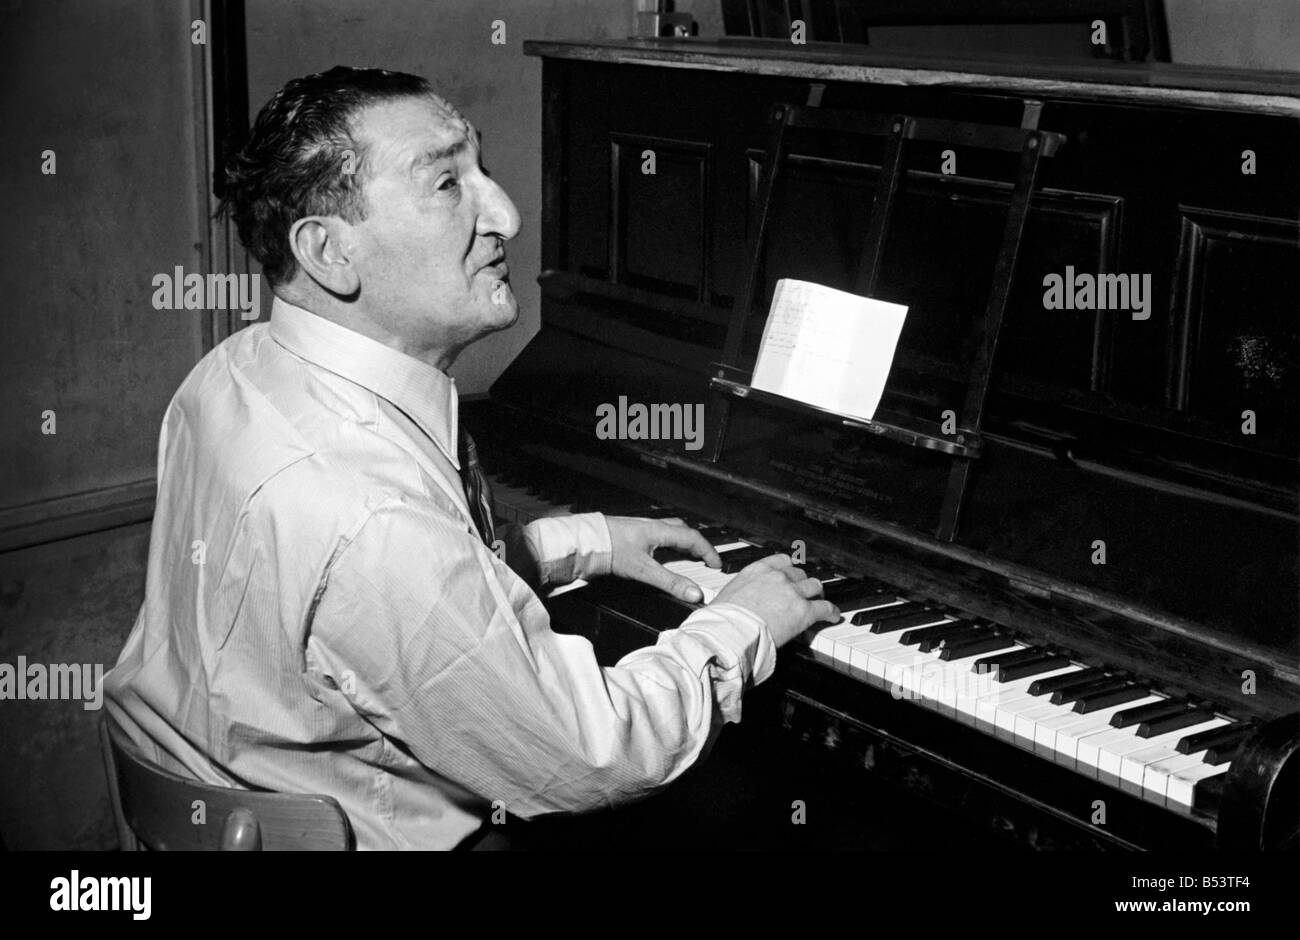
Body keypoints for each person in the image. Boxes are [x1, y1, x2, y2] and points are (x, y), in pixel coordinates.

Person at [104, 66, 837, 850]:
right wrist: (740, 625)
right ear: (327, 252)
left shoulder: (235, 371)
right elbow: (592, 755)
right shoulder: (369, 514)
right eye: (448, 183)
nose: (509, 216)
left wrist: (574, 542)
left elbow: (371, 602)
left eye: (481, 169)